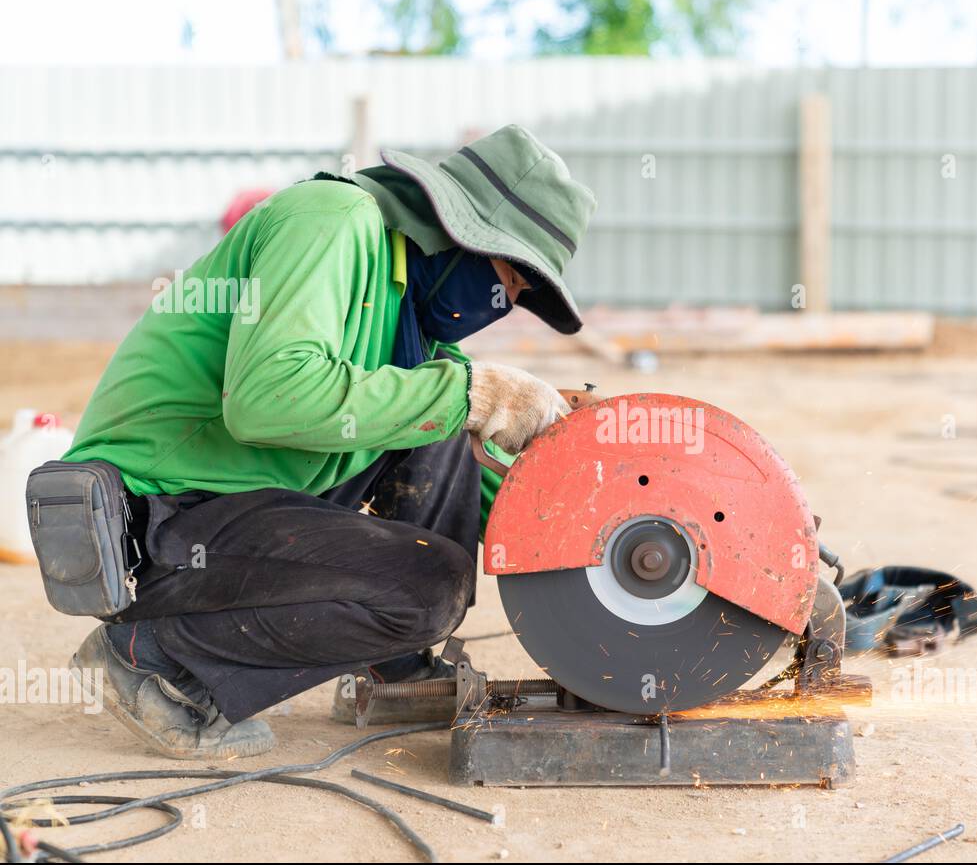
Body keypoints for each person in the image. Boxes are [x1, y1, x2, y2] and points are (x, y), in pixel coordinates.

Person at [57, 125, 596, 759]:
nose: (508, 300)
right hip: (150, 517)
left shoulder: (402, 313)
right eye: (511, 276)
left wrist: (580, 513)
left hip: (232, 503)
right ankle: (155, 662)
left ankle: (390, 666)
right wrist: (472, 393)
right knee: (430, 580)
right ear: (463, 233)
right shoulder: (332, 221)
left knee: (442, 406)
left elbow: (473, 459)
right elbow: (267, 398)